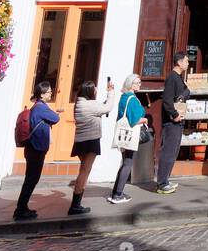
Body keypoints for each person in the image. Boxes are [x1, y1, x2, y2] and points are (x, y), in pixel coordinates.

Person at [69, 77, 115, 215]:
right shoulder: (90, 105)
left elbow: (101, 108)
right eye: (94, 88)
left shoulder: (79, 104)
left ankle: (76, 204)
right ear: (89, 91)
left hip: (80, 141)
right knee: (84, 172)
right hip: (90, 141)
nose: (96, 89)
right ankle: (75, 205)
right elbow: (108, 108)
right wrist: (111, 92)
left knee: (84, 170)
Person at [13, 81, 59, 221]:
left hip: (32, 148)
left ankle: (22, 207)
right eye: (49, 91)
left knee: (31, 178)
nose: (51, 93)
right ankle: (20, 209)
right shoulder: (41, 108)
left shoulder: (37, 107)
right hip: (36, 148)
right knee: (32, 179)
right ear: (42, 94)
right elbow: (56, 118)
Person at [108, 74, 147, 204]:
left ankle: (115, 192)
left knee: (124, 162)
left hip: (122, 135)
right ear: (131, 84)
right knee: (128, 163)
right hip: (130, 135)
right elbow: (134, 120)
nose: (140, 84)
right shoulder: (133, 99)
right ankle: (118, 194)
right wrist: (145, 119)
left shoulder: (124, 97)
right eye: (138, 82)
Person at [156, 50, 190, 194]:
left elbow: (180, 97)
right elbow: (167, 100)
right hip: (172, 121)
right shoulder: (172, 78)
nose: (188, 64)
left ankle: (166, 180)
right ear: (179, 62)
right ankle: (162, 183)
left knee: (173, 151)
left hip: (178, 120)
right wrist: (175, 115)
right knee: (168, 151)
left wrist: (187, 89)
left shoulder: (178, 78)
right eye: (186, 61)